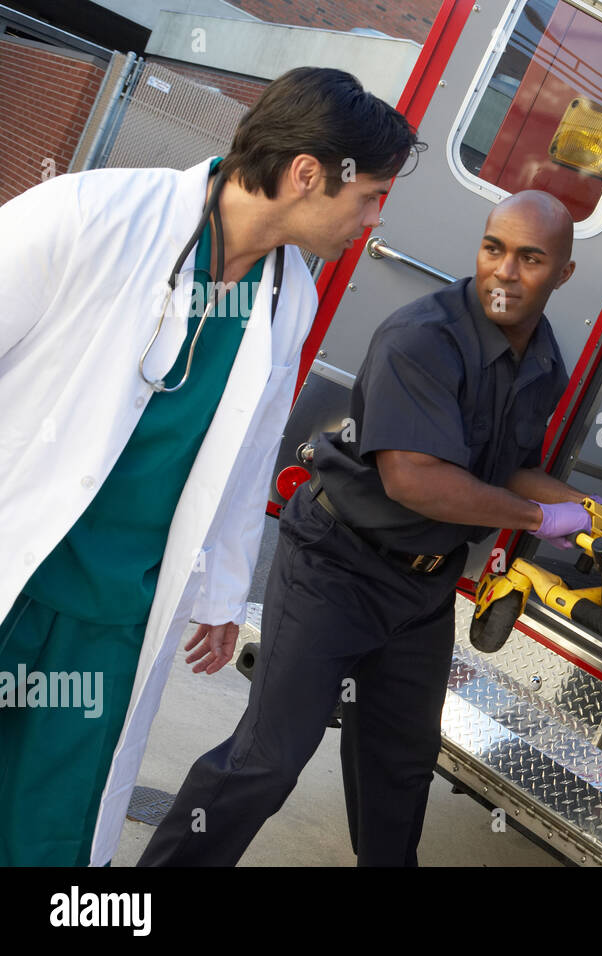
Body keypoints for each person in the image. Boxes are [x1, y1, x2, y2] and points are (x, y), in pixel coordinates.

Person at [0, 67, 418, 867]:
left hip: (115, 614)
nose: (371, 220)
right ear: (307, 175)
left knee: (49, 829)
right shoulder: (92, 213)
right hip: (16, 561)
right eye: (369, 196)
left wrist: (225, 593)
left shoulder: (285, 295)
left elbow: (247, 453)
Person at [139, 190, 597, 867]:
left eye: (530, 259)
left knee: (400, 768)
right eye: (494, 248)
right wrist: (537, 518)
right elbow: (413, 477)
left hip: (423, 589)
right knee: (269, 759)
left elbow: (509, 466)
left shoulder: (543, 360)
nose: (504, 271)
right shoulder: (424, 338)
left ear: (563, 273)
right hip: (338, 565)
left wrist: (593, 518)